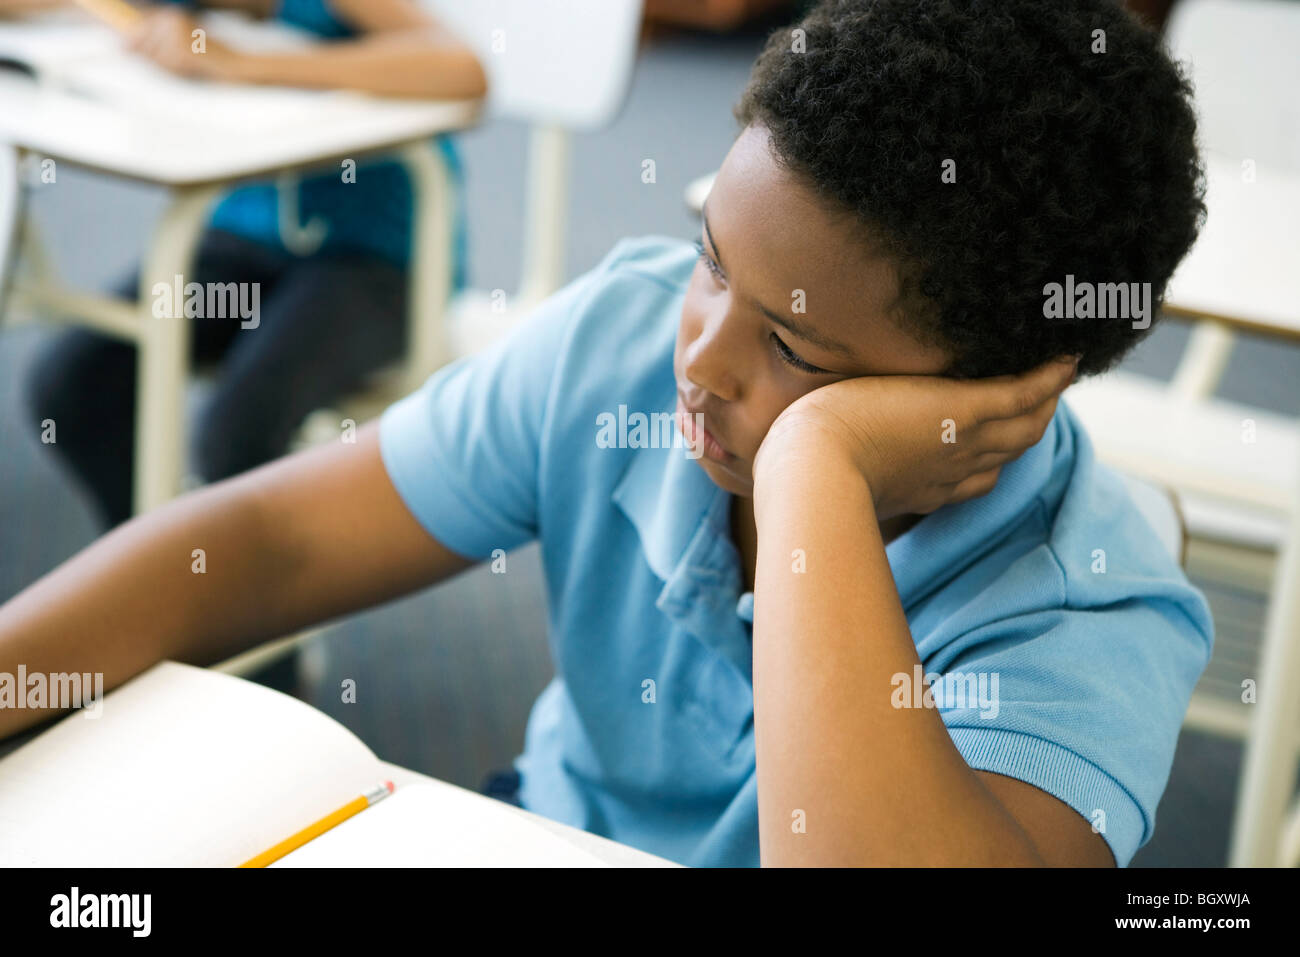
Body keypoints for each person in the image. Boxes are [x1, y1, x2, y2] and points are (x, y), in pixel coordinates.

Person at [0, 0, 1210, 867]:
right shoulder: (622, 338)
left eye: (795, 350)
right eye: (711, 262)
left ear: (1007, 387)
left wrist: (811, 476)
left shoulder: (1087, 614)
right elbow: (268, 541)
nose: (700, 356)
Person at [14, 0, 484, 529]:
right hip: (244, 240)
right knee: (70, 390)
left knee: (236, 434)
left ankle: (244, 594)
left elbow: (464, 68)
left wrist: (239, 64)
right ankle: (162, 569)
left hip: (375, 262)